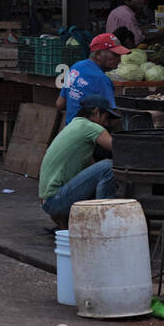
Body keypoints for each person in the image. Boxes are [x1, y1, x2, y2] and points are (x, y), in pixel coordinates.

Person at [39, 95, 118, 227]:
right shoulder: (90, 127)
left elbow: (92, 168)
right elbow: (121, 148)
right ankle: (104, 221)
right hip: (56, 200)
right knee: (108, 166)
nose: (106, 123)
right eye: (106, 117)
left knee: (102, 171)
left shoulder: (75, 124)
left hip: (49, 202)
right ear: (97, 112)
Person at [57, 32, 127, 125]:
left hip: (70, 127)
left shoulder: (76, 67)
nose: (119, 59)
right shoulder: (102, 80)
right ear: (98, 54)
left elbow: (60, 104)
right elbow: (111, 117)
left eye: (120, 55)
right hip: (88, 131)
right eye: (115, 55)